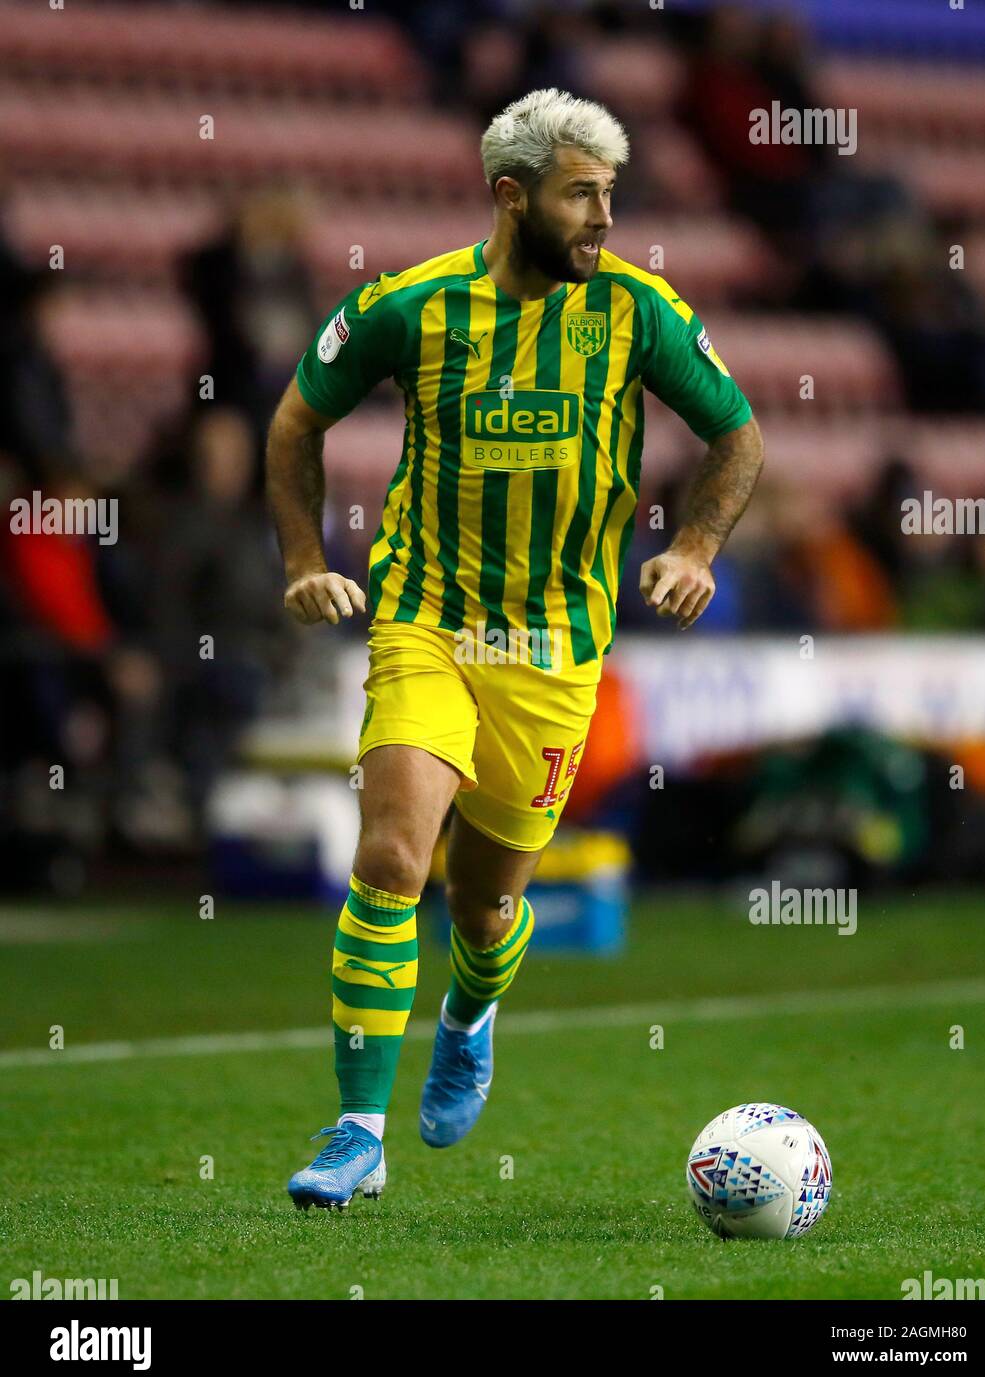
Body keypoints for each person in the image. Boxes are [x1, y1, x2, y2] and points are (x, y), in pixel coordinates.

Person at [266, 88, 764, 1210]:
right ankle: (355, 1130)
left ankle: (470, 1011)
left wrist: (693, 546)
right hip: (425, 621)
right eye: (583, 194)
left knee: (485, 909)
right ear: (511, 194)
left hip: (554, 648)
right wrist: (305, 558)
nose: (604, 218)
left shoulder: (636, 313)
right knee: (395, 857)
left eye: (610, 196)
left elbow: (737, 431)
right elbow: (298, 416)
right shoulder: (409, 306)